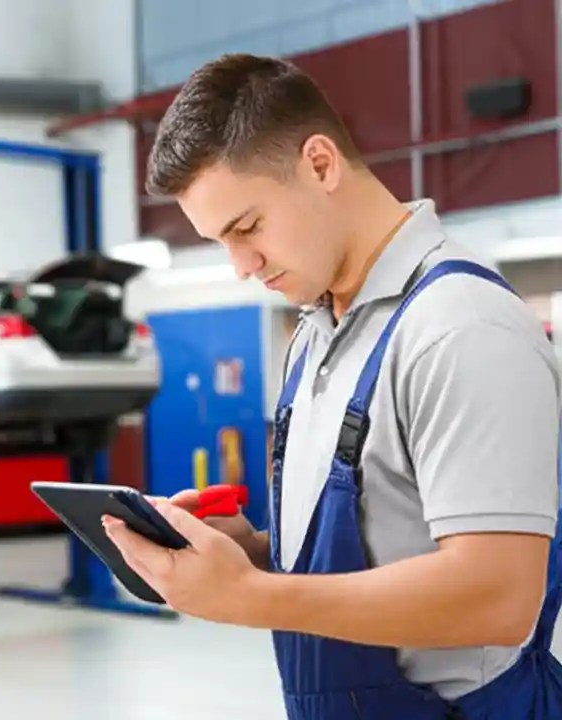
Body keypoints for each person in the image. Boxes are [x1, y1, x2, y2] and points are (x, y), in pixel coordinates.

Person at [102, 53, 562, 718]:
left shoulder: (460, 327)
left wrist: (249, 597)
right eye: (218, 242)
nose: (241, 265)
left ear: (320, 164)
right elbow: (374, 550)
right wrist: (252, 556)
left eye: (247, 227)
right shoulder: (314, 337)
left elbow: (497, 595)